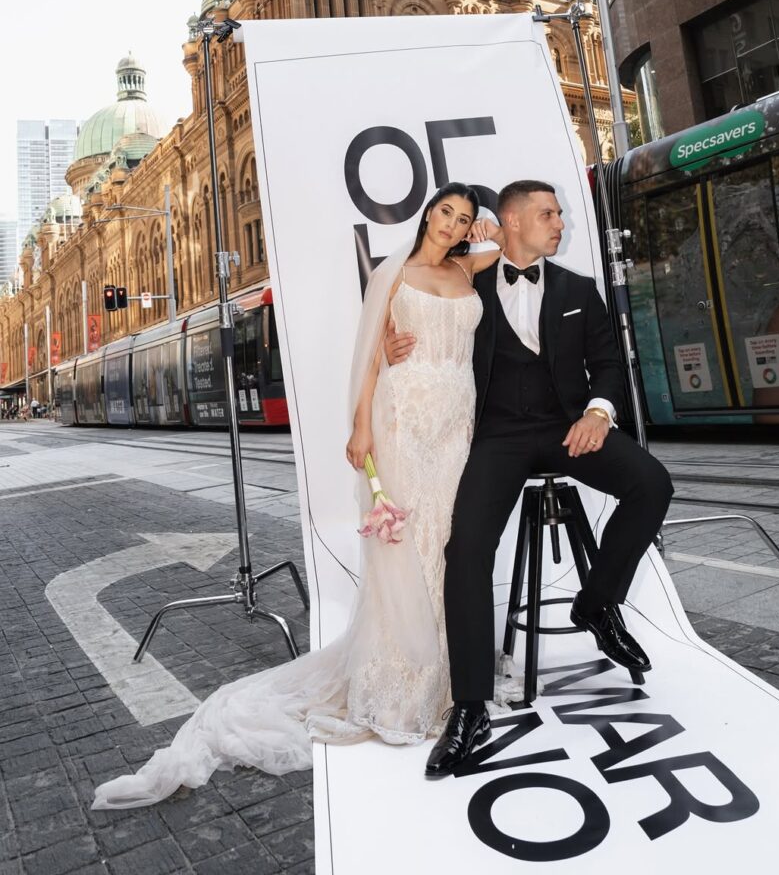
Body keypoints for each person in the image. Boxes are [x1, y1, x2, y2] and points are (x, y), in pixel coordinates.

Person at [92, 182, 502, 809]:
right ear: (426, 215)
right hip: (405, 421)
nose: (453, 224)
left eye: (463, 218)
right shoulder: (393, 272)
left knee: (451, 544)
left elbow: (500, 237)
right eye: (445, 212)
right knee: (412, 547)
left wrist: (486, 229)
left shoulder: (472, 264)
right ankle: (403, 686)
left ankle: (455, 674)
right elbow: (367, 357)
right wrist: (362, 427)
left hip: (457, 426)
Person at [386, 179, 674, 778]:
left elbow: (609, 366)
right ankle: (469, 707)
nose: (560, 223)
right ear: (512, 221)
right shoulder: (469, 282)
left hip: (568, 426)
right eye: (548, 214)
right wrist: (392, 346)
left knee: (652, 484)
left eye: (560, 215)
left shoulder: (577, 289)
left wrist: (599, 413)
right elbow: (421, 306)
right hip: (495, 437)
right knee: (464, 550)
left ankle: (596, 605)